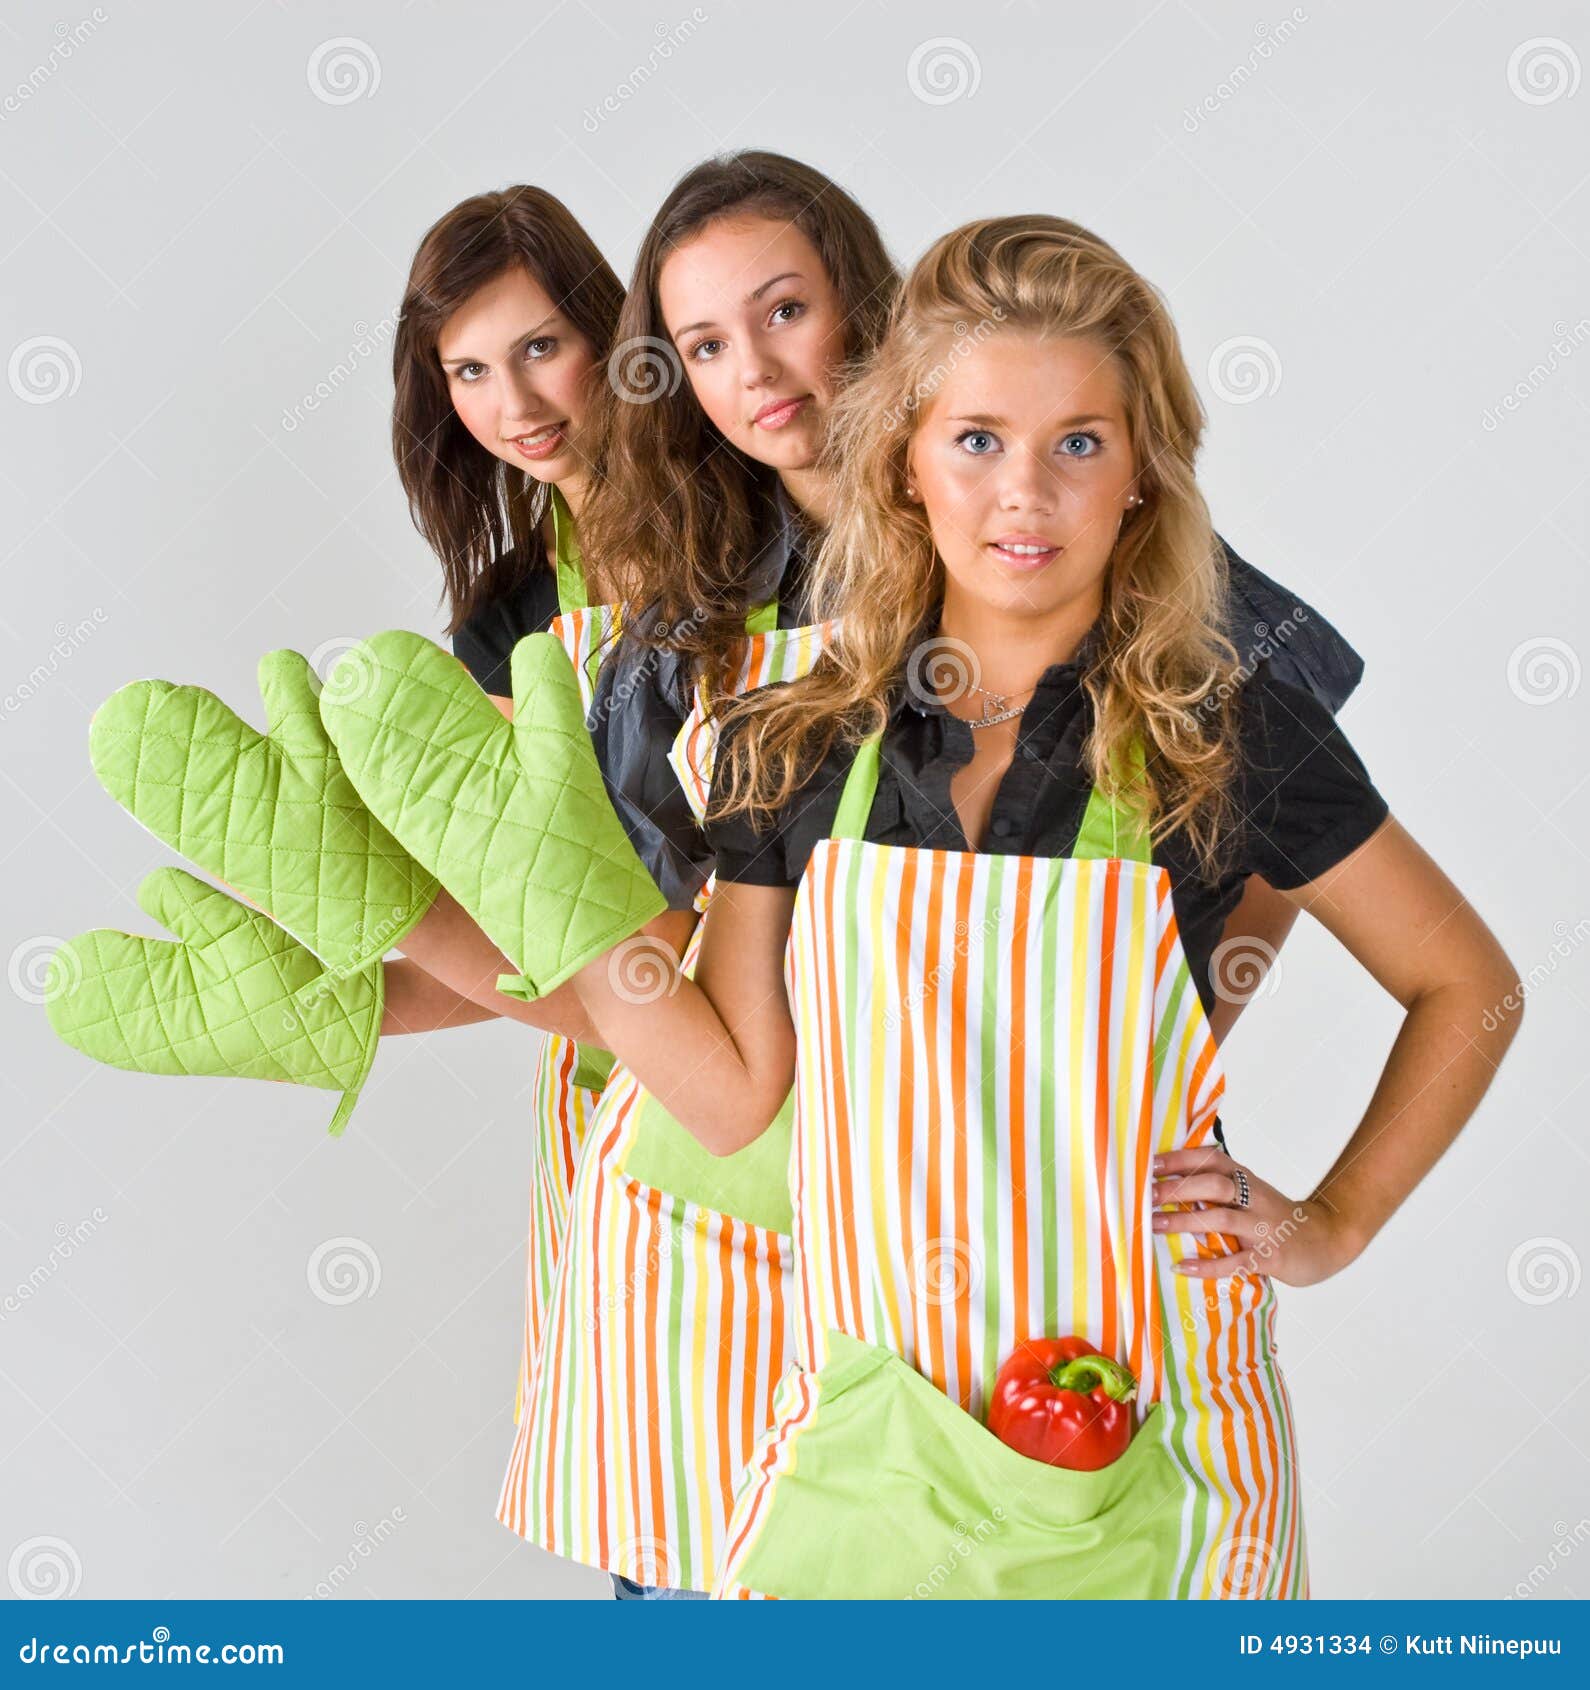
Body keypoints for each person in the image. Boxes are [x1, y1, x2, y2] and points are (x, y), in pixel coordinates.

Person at [553, 214, 1523, 1597]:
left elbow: (1468, 986)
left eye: (1078, 442)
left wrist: (1330, 1221)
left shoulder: (1227, 730)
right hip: (872, 1416)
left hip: (1146, 1409)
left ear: (1138, 474)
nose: (1026, 492)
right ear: (903, 460)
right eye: (977, 440)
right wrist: (556, 901)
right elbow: (736, 1093)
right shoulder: (789, 742)